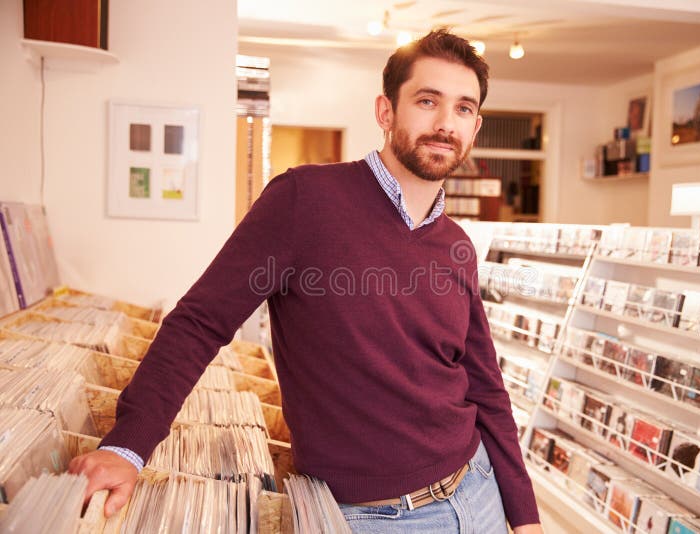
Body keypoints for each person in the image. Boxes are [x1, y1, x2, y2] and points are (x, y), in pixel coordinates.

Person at [69, 30, 542, 533]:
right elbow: (200, 322)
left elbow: (486, 385)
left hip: (478, 493)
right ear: (385, 112)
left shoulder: (456, 245)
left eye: (464, 109)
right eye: (427, 101)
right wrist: (129, 445)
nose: (446, 123)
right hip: (371, 518)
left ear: (476, 127)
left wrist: (524, 515)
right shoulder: (304, 200)